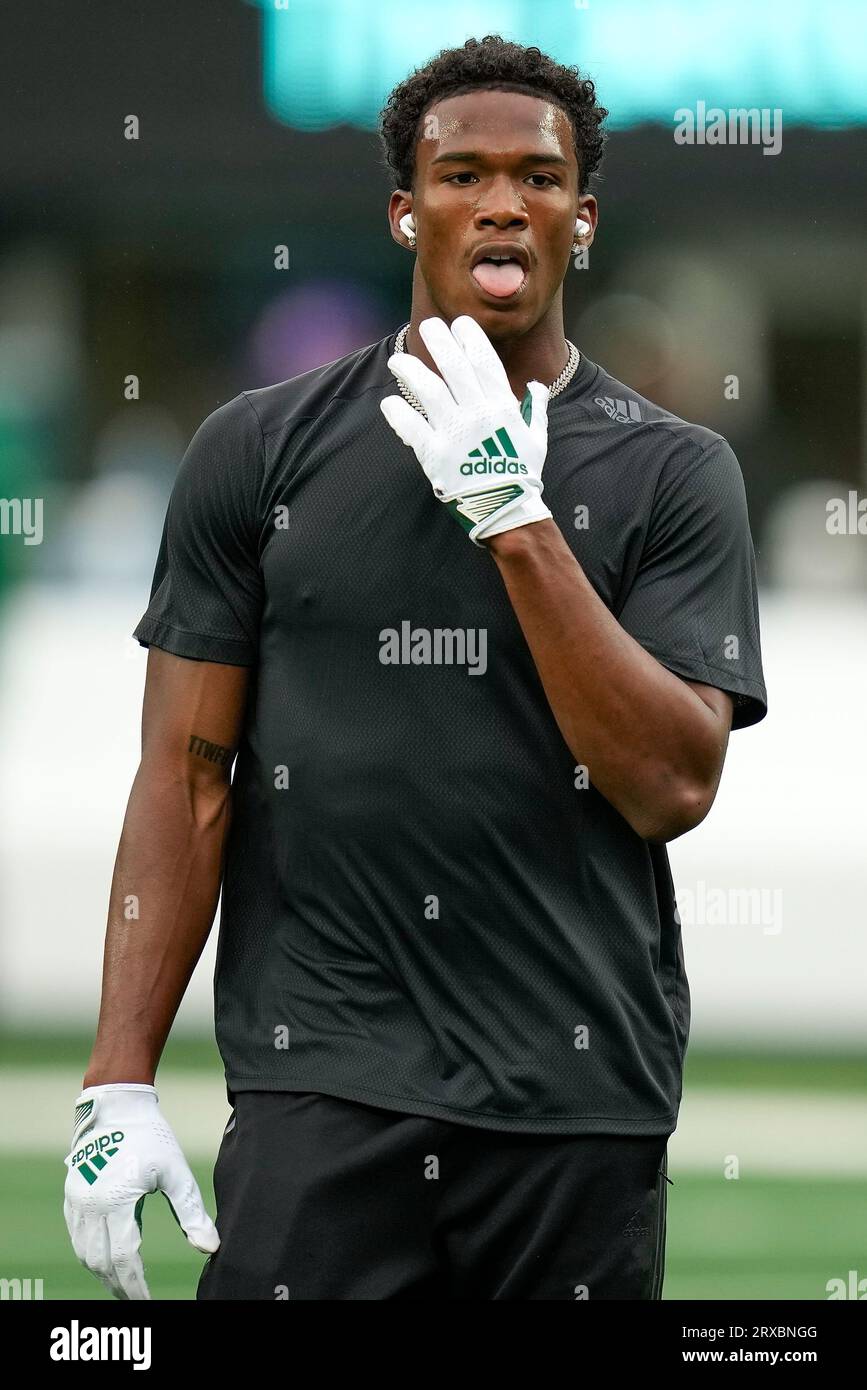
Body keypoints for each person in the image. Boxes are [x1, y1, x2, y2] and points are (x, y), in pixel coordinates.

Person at [63, 34, 767, 1301]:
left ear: (582, 219)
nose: (502, 201)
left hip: (575, 1096)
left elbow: (670, 782)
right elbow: (187, 774)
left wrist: (517, 519)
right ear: (405, 209)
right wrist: (118, 1074)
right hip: (321, 1085)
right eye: (461, 174)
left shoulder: (675, 471)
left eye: (540, 179)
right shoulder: (256, 450)